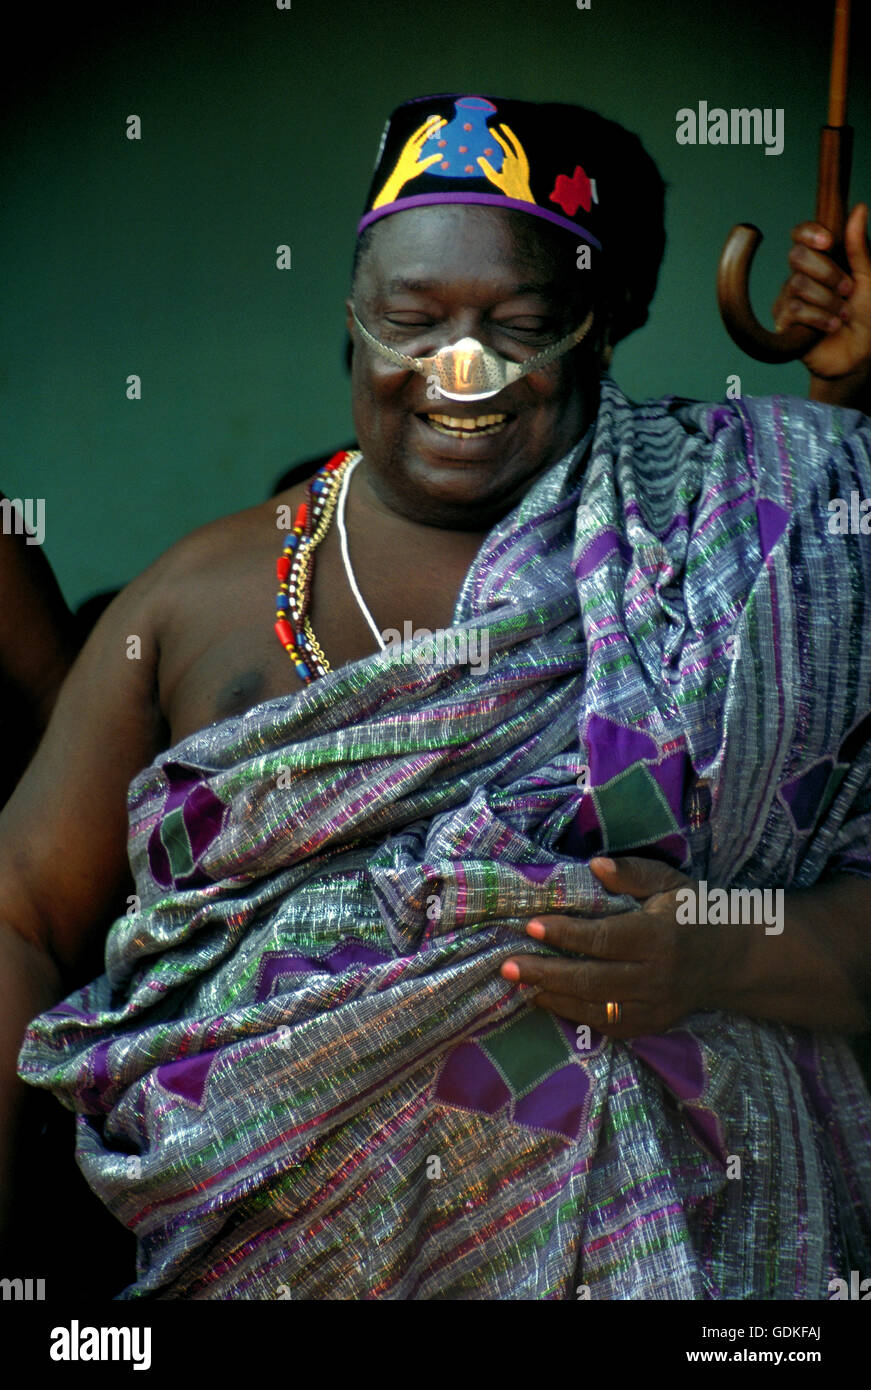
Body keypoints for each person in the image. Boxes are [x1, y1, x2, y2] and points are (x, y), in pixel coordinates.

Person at [4, 94, 871, 1299]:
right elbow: (25, 909)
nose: (459, 368)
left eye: (518, 323)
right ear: (353, 324)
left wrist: (715, 953)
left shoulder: (735, 542)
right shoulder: (194, 597)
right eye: (412, 318)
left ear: (599, 324)